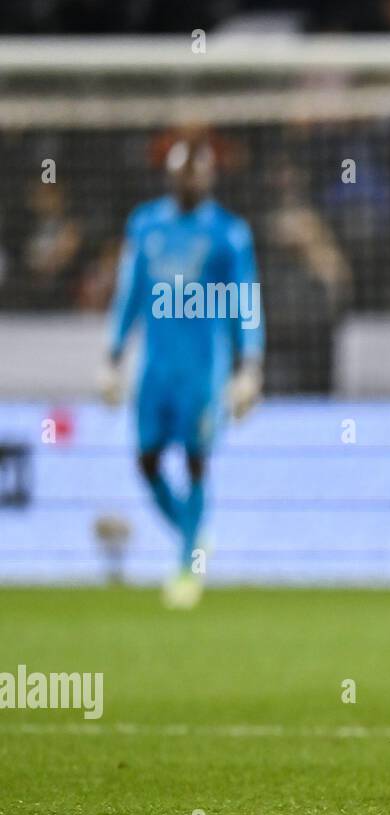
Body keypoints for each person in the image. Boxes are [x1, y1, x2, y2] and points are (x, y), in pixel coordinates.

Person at [99, 138, 263, 608]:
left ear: (210, 177)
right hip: (155, 370)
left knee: (195, 462)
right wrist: (112, 355)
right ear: (170, 176)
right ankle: (193, 537)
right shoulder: (146, 225)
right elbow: (130, 293)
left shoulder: (228, 234)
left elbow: (245, 301)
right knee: (146, 462)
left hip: (202, 372)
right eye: (183, 172)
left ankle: (187, 567)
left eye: (198, 172)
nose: (190, 180)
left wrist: (248, 366)